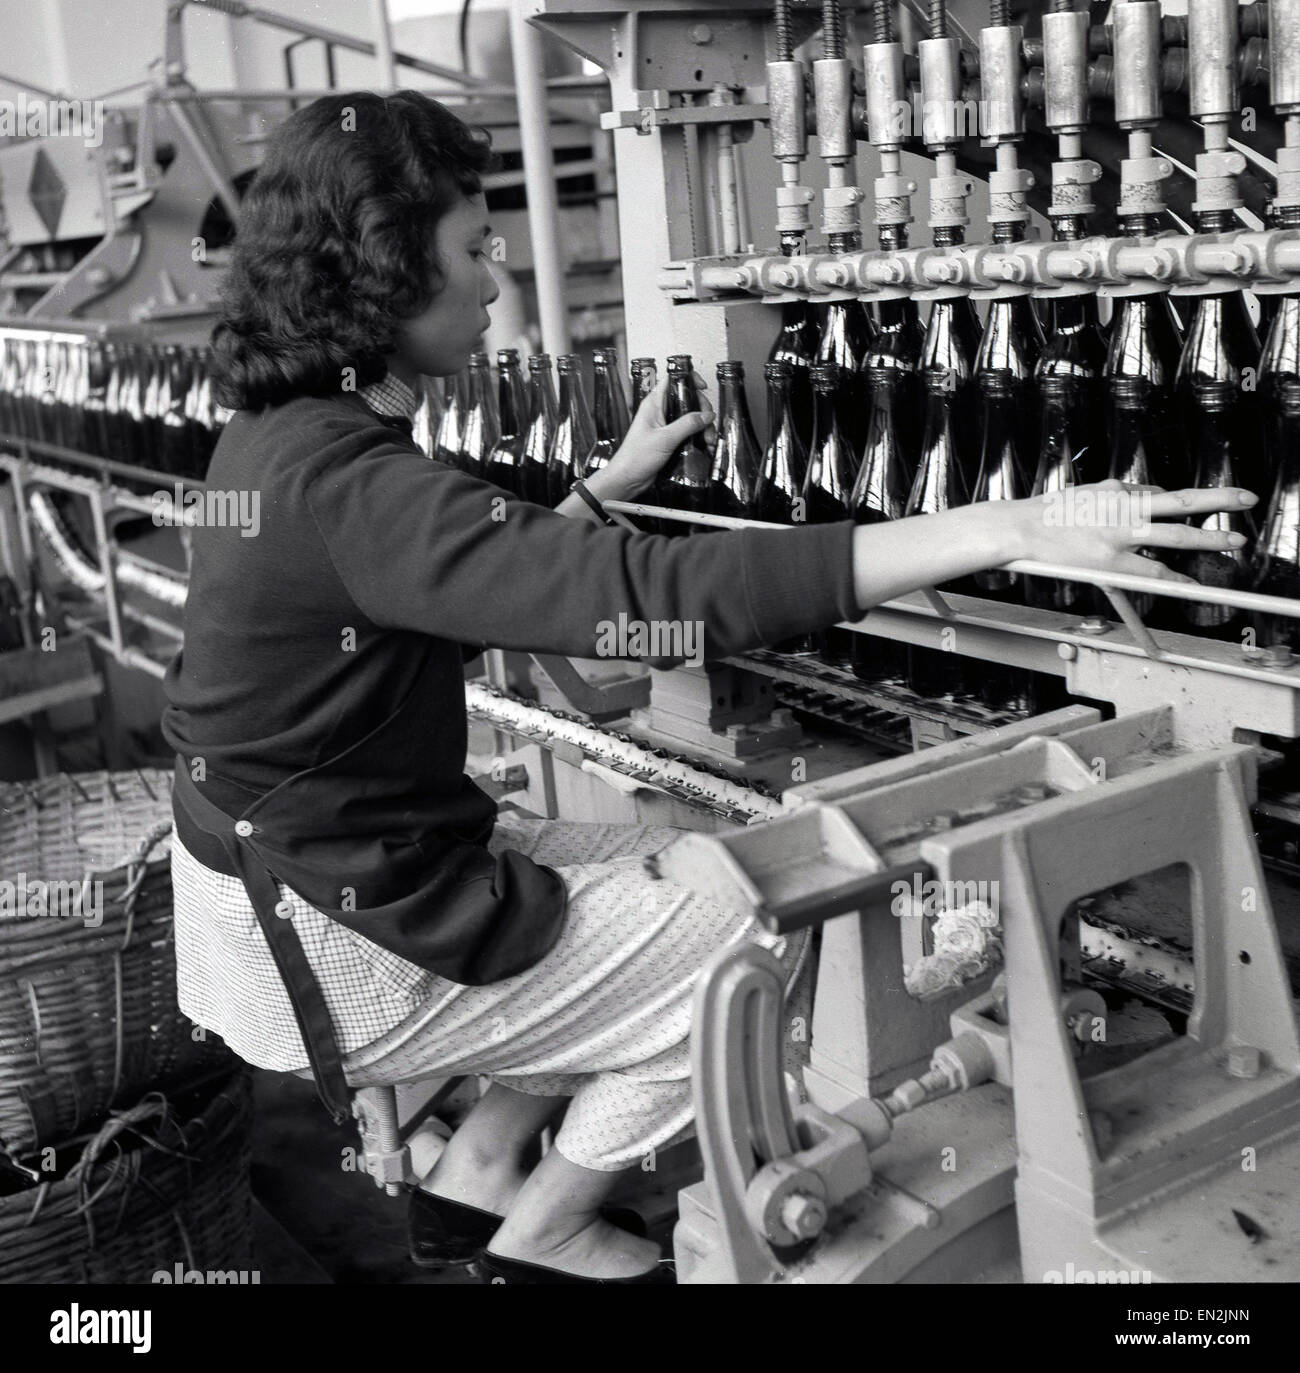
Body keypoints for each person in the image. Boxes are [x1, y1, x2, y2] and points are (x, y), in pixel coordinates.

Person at [162, 90, 1257, 1284]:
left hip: (306, 865)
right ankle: (546, 1230)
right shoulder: (347, 480)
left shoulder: (282, 435)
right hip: (332, 923)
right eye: (474, 249)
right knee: (745, 927)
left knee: (674, 855)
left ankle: (477, 1168)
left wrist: (597, 493)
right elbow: (646, 591)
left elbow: (436, 584)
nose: (497, 281)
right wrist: (1011, 520)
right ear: (377, 272)